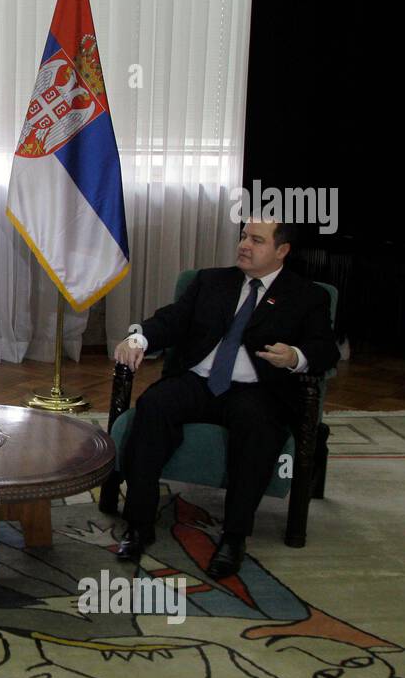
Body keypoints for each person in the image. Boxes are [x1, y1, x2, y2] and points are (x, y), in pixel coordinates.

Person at [111, 219, 339, 577]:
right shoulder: (210, 281)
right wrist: (139, 339)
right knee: (154, 406)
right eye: (244, 237)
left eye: (257, 240)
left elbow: (325, 350)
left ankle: (234, 537)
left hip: (257, 390)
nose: (244, 245)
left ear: (282, 251)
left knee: (258, 426)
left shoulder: (307, 295)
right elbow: (171, 320)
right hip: (199, 381)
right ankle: (139, 525)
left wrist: (295, 356)